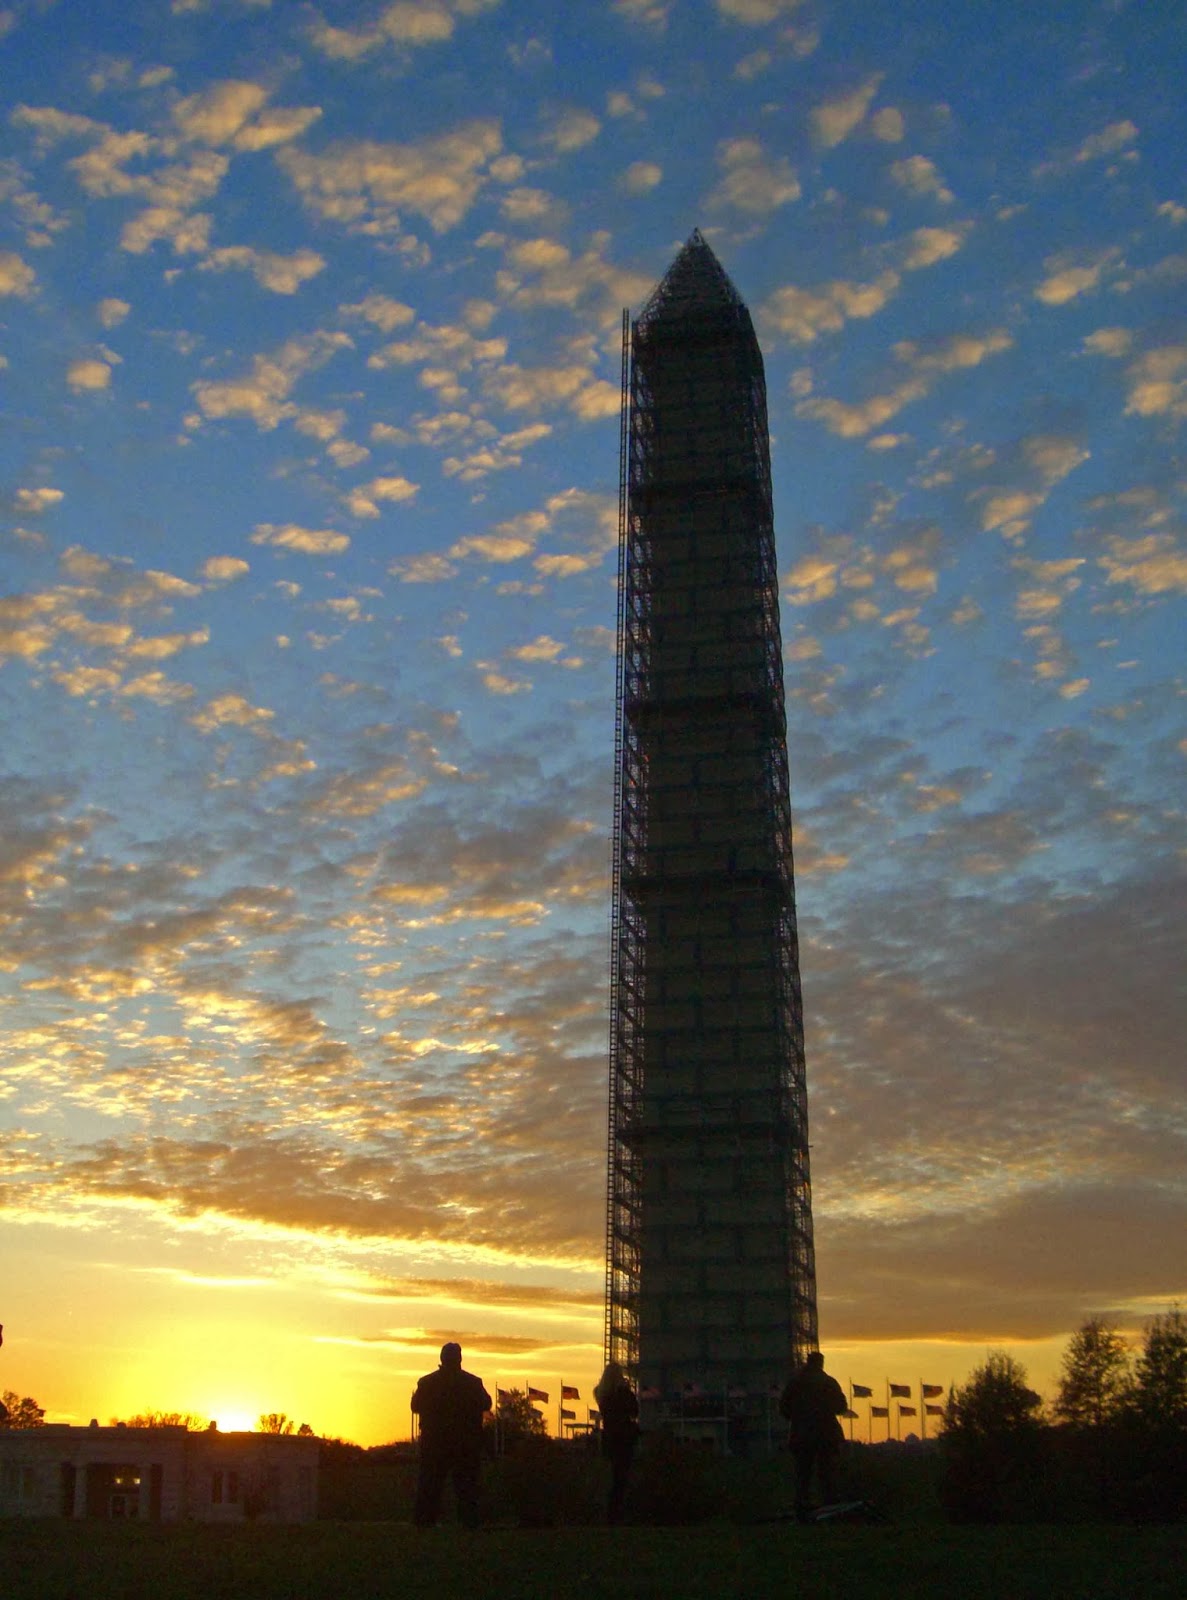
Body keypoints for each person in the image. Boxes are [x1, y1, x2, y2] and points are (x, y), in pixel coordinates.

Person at [410, 1341, 492, 1528]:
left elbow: (415, 1406)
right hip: (465, 1444)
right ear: (460, 1358)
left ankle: (425, 1521)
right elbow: (486, 1403)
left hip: (435, 1443)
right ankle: (469, 1522)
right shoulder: (472, 1383)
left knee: (430, 1485)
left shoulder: (427, 1382)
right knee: (466, 1486)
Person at [779, 1349, 847, 1520]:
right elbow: (841, 1407)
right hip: (826, 1434)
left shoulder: (795, 1383)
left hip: (802, 1434)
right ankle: (830, 1508)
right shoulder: (829, 1382)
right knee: (827, 1473)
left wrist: (799, 1417)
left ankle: (802, 1507)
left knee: (803, 1474)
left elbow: (784, 1408)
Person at [593, 1361, 639, 1524]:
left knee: (612, 1477)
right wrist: (627, 1389)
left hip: (609, 1438)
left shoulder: (601, 1393)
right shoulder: (622, 1393)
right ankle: (617, 1514)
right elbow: (635, 1410)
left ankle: (611, 1514)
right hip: (624, 1438)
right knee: (622, 1478)